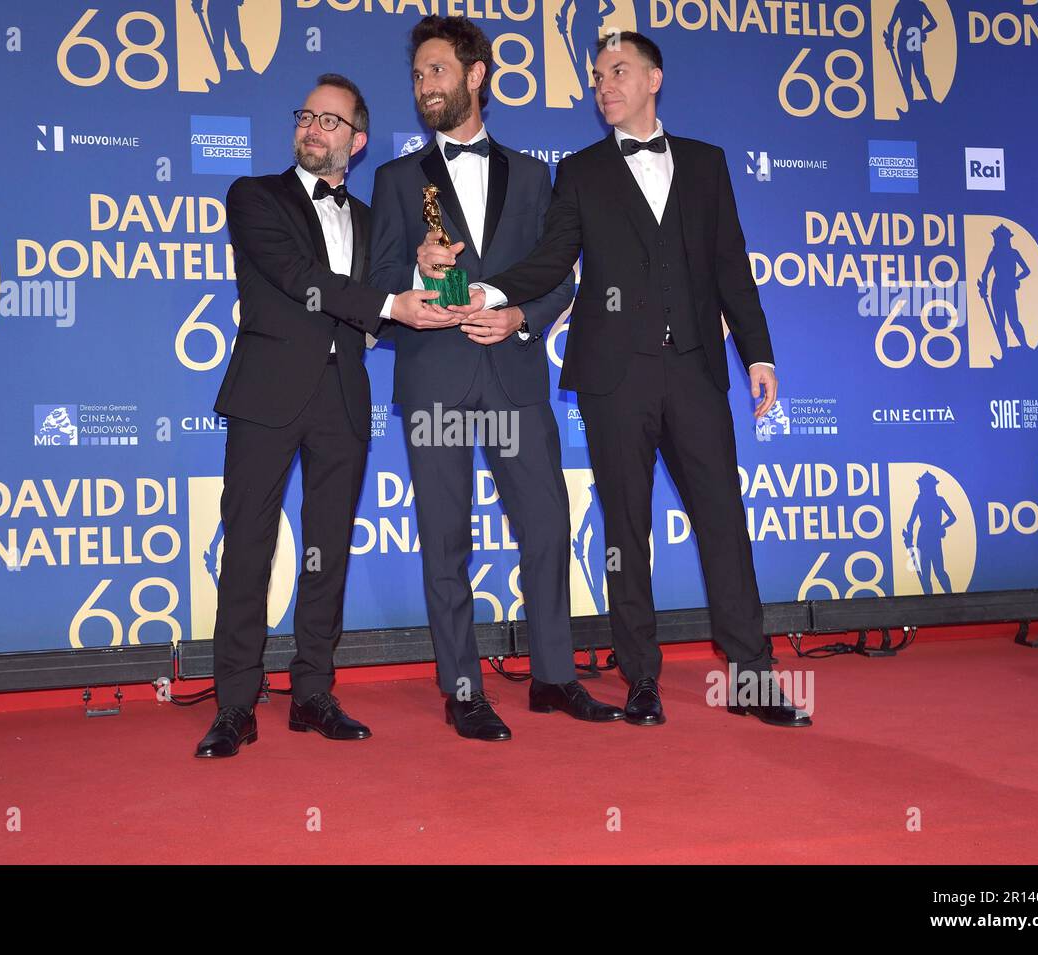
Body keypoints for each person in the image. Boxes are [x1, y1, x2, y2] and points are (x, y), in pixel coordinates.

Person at [454, 32, 811, 728]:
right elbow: (553, 261)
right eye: (595, 77)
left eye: (617, 72)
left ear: (654, 79)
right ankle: (640, 678)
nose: (603, 86)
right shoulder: (581, 172)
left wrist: (759, 357)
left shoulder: (708, 165)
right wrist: (492, 290)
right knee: (625, 529)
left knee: (724, 523)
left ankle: (752, 676)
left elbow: (731, 266)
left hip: (697, 369)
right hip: (614, 378)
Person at [369, 16, 625, 741]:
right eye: (417, 75)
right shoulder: (394, 181)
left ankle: (553, 675)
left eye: (438, 71)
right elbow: (375, 289)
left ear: (476, 76)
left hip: (513, 375)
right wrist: (418, 274)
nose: (425, 87)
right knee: (445, 537)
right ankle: (462, 690)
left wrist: (520, 319)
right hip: (436, 380)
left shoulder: (536, 175)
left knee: (547, 527)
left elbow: (558, 277)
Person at [196, 73, 451, 758]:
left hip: (343, 397)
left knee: (326, 550)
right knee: (249, 546)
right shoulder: (254, 197)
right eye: (306, 115)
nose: (313, 128)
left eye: (330, 121)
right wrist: (390, 305)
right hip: (267, 394)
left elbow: (390, 306)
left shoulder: (371, 222)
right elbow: (300, 278)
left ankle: (312, 692)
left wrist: (426, 282)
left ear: (357, 141)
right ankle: (235, 704)